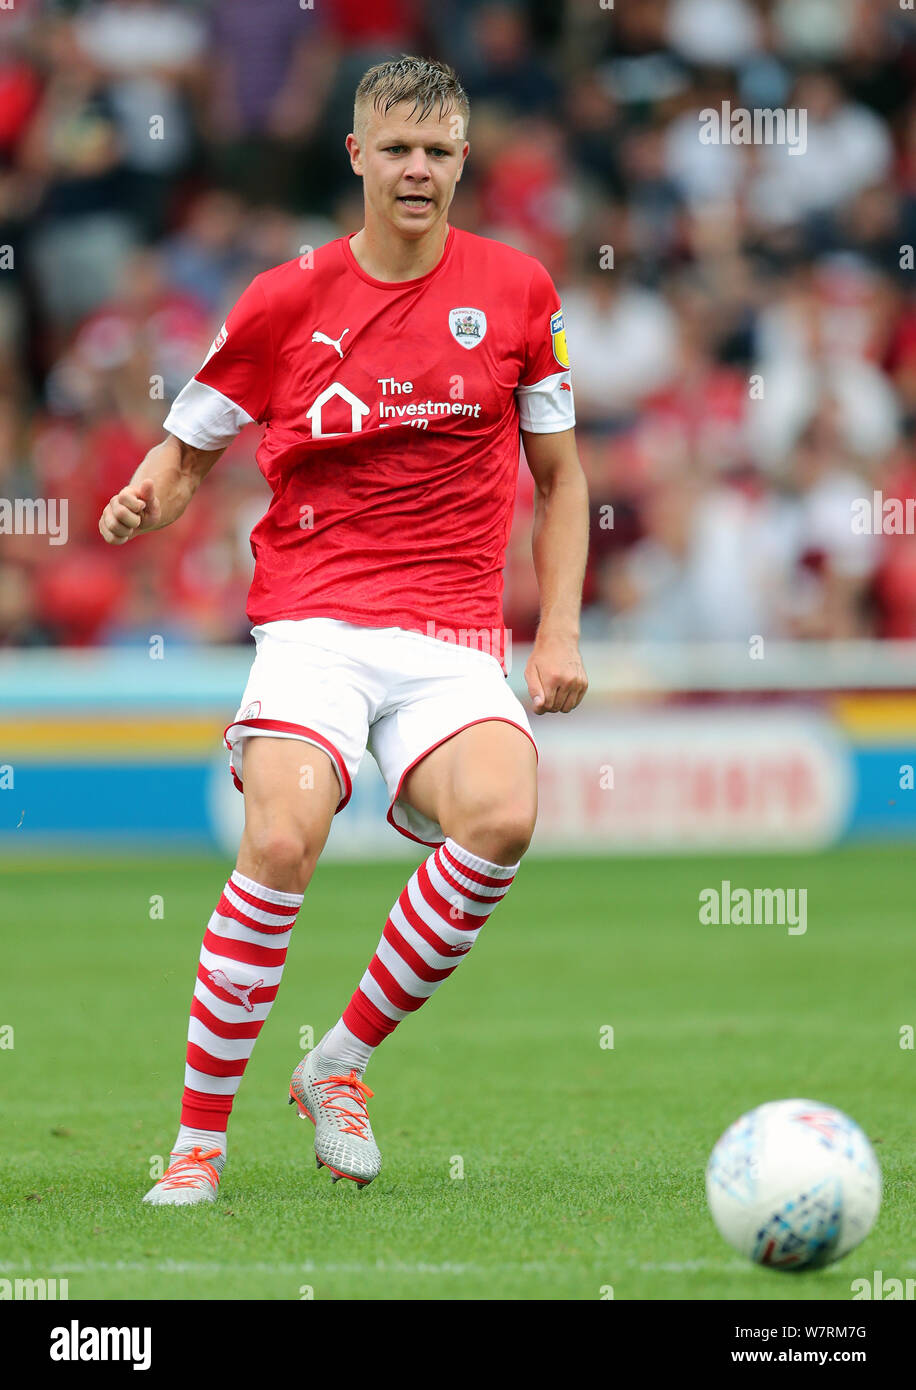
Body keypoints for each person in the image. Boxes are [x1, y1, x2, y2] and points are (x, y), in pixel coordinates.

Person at [98, 55, 589, 1204]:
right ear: (357, 155)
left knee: (504, 814)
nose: (418, 169)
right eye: (397, 148)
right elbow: (187, 452)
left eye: (439, 149)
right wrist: (145, 494)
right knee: (278, 842)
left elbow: (563, 481)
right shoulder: (282, 299)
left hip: (453, 632)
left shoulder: (519, 291)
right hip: (315, 621)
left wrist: (556, 631)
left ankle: (340, 1062)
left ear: (465, 159)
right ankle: (199, 1145)